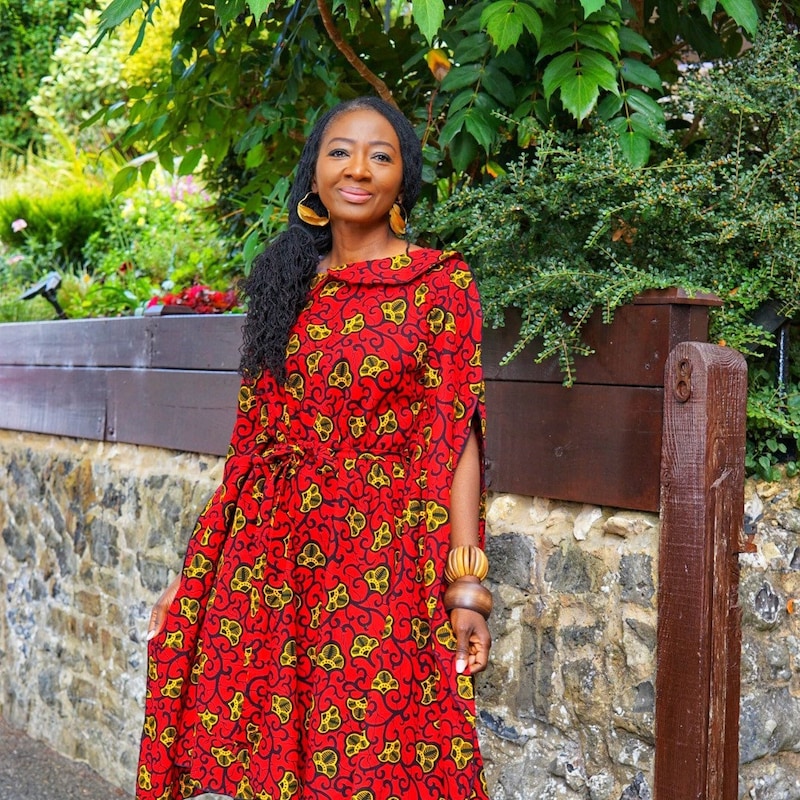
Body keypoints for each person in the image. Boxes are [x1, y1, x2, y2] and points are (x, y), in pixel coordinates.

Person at [137, 95, 492, 800]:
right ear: (314, 172)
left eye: (380, 155)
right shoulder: (286, 285)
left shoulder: (438, 285)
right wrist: (195, 571)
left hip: (376, 558)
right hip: (270, 553)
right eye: (340, 151)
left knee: (370, 754)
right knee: (270, 753)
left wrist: (468, 586)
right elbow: (250, 443)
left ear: (402, 179)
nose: (358, 168)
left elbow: (456, 436)